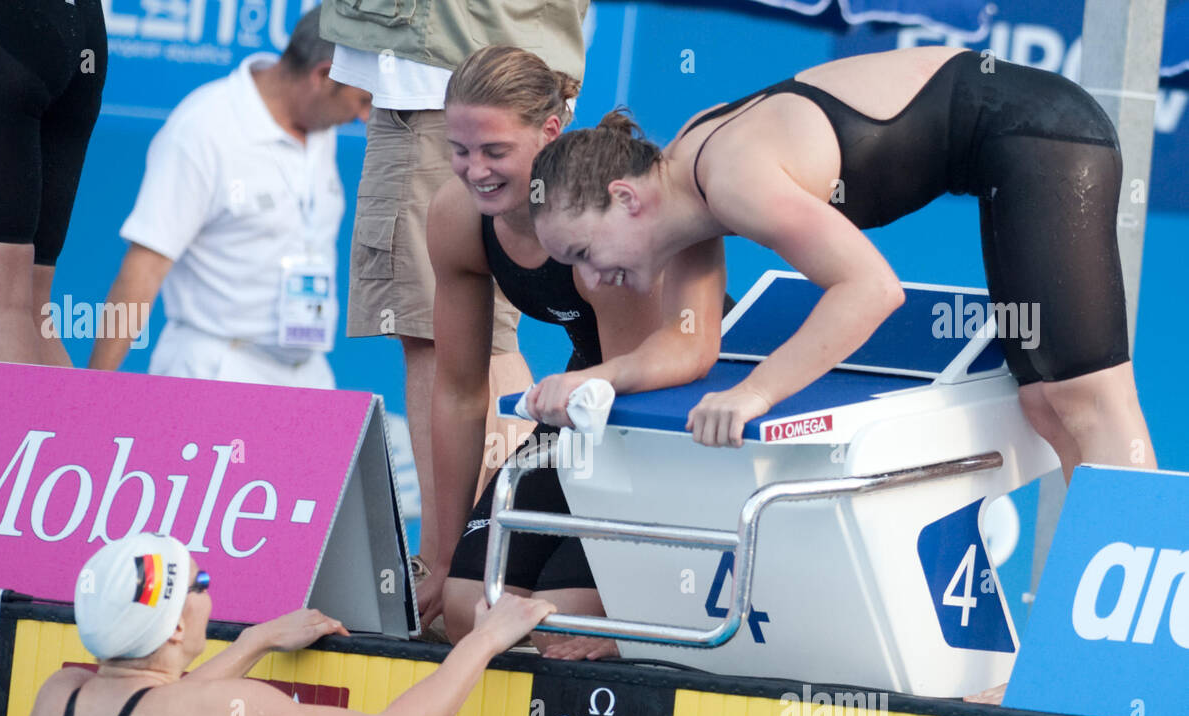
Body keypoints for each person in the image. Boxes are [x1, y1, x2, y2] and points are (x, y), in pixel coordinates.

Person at [528, 46, 1156, 482]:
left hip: (1042, 131)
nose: (589, 279)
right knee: (1045, 405)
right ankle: (1095, 638)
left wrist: (756, 392)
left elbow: (871, 288)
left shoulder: (732, 178)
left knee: (1088, 397)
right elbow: (692, 348)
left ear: (625, 198)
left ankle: (1150, 637)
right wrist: (600, 379)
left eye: (583, 253)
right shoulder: (684, 190)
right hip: (1002, 151)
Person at [418, 46, 727, 659]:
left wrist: (626, 602)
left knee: (563, 629)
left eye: (495, 152)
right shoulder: (458, 218)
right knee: (466, 610)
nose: (474, 170)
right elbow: (457, 393)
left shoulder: (600, 229)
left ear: (550, 132)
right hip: (588, 403)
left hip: (675, 416)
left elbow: (641, 415)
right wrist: (443, 553)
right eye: (460, 149)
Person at [315, 1, 590, 589]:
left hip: (441, 61)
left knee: (444, 342)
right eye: (469, 157)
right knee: (472, 344)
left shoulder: (472, 124)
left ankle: (461, 564)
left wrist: (444, 567)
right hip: (448, 61)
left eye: (488, 155)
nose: (475, 169)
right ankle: (484, 560)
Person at [20, 533, 555, 716]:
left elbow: (161, 705)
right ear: (178, 625)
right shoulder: (229, 708)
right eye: (201, 583)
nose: (211, 588)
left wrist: (253, 643)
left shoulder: (58, 693)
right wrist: (483, 641)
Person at [87, 8, 371, 388]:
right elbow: (144, 268)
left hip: (309, 376)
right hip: (215, 371)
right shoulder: (204, 129)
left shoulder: (320, 127)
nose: (366, 116)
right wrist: (93, 392)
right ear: (322, 76)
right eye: (364, 99)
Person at [0, 0, 107, 366]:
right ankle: (62, 424)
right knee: (31, 306)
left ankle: (9, 422)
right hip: (83, 25)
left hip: (6, 27)